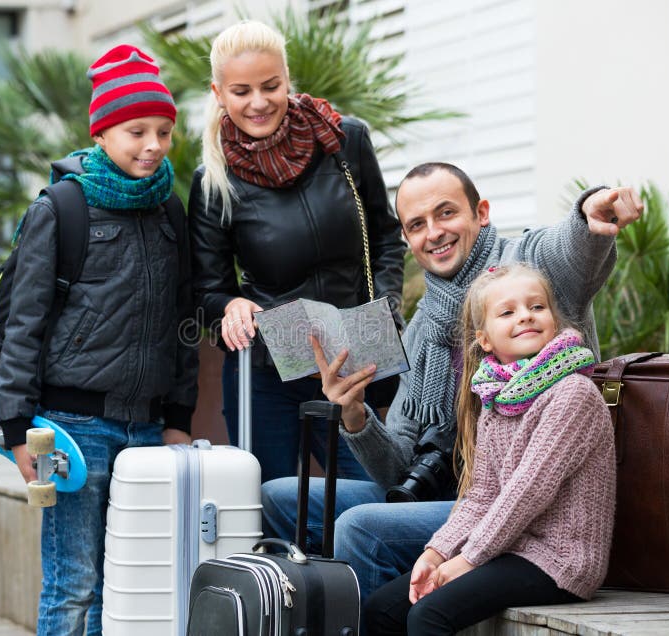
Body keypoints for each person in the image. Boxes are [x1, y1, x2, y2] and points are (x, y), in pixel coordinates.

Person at [262, 162, 641, 603]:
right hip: (446, 495)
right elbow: (397, 471)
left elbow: (572, 245)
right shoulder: (422, 327)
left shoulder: (526, 268)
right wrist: (354, 415)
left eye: (446, 213)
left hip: (515, 509)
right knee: (280, 496)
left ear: (481, 212)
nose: (434, 233)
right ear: (407, 239)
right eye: (417, 224)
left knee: (359, 528)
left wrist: (591, 212)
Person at [0, 45, 197, 635]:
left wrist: (178, 417)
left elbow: (184, 323)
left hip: (147, 429)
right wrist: (16, 428)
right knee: (73, 582)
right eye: (137, 131)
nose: (153, 145)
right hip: (72, 428)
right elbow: (24, 325)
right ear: (101, 133)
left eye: (163, 132)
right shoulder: (61, 208)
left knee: (123, 584)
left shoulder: (170, 211)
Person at [190, 20, 405, 483]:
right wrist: (230, 305)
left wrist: (385, 308)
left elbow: (386, 236)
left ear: (287, 78)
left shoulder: (346, 141)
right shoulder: (212, 178)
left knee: (368, 497)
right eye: (241, 91)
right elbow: (207, 289)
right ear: (219, 93)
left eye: (271, 86)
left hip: (351, 363)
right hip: (267, 374)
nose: (259, 102)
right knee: (269, 502)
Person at [363, 263, 616, 634]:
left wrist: (467, 559)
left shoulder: (573, 394)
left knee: (428, 615)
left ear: (554, 319)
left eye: (537, 306)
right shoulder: (497, 400)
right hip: (510, 549)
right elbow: (481, 495)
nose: (525, 316)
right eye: (507, 312)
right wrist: (436, 553)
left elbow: (526, 493)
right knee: (381, 610)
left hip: (559, 559)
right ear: (484, 340)